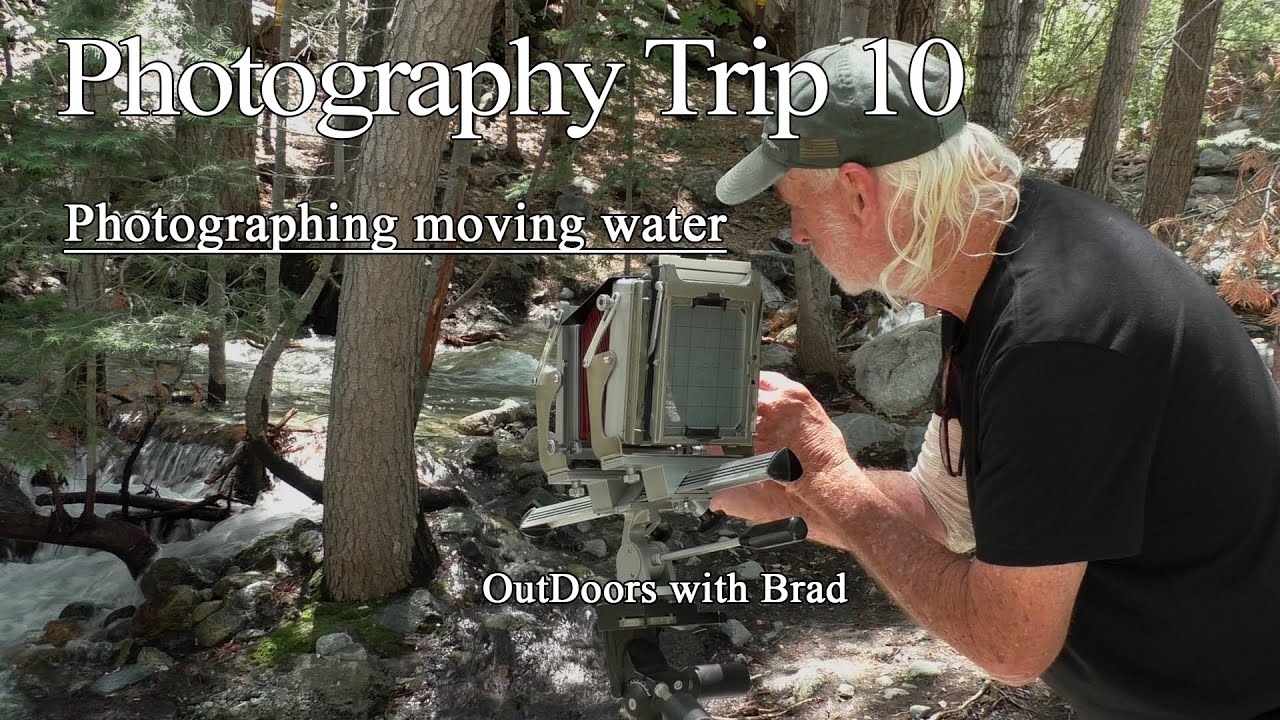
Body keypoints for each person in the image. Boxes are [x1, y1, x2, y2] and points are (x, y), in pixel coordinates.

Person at [710, 37, 1280, 719]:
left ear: (860, 193)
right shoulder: (999, 251)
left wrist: (827, 468)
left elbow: (1011, 646)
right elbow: (941, 511)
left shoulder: (1055, 339)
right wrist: (789, 493)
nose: (797, 233)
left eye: (794, 203)